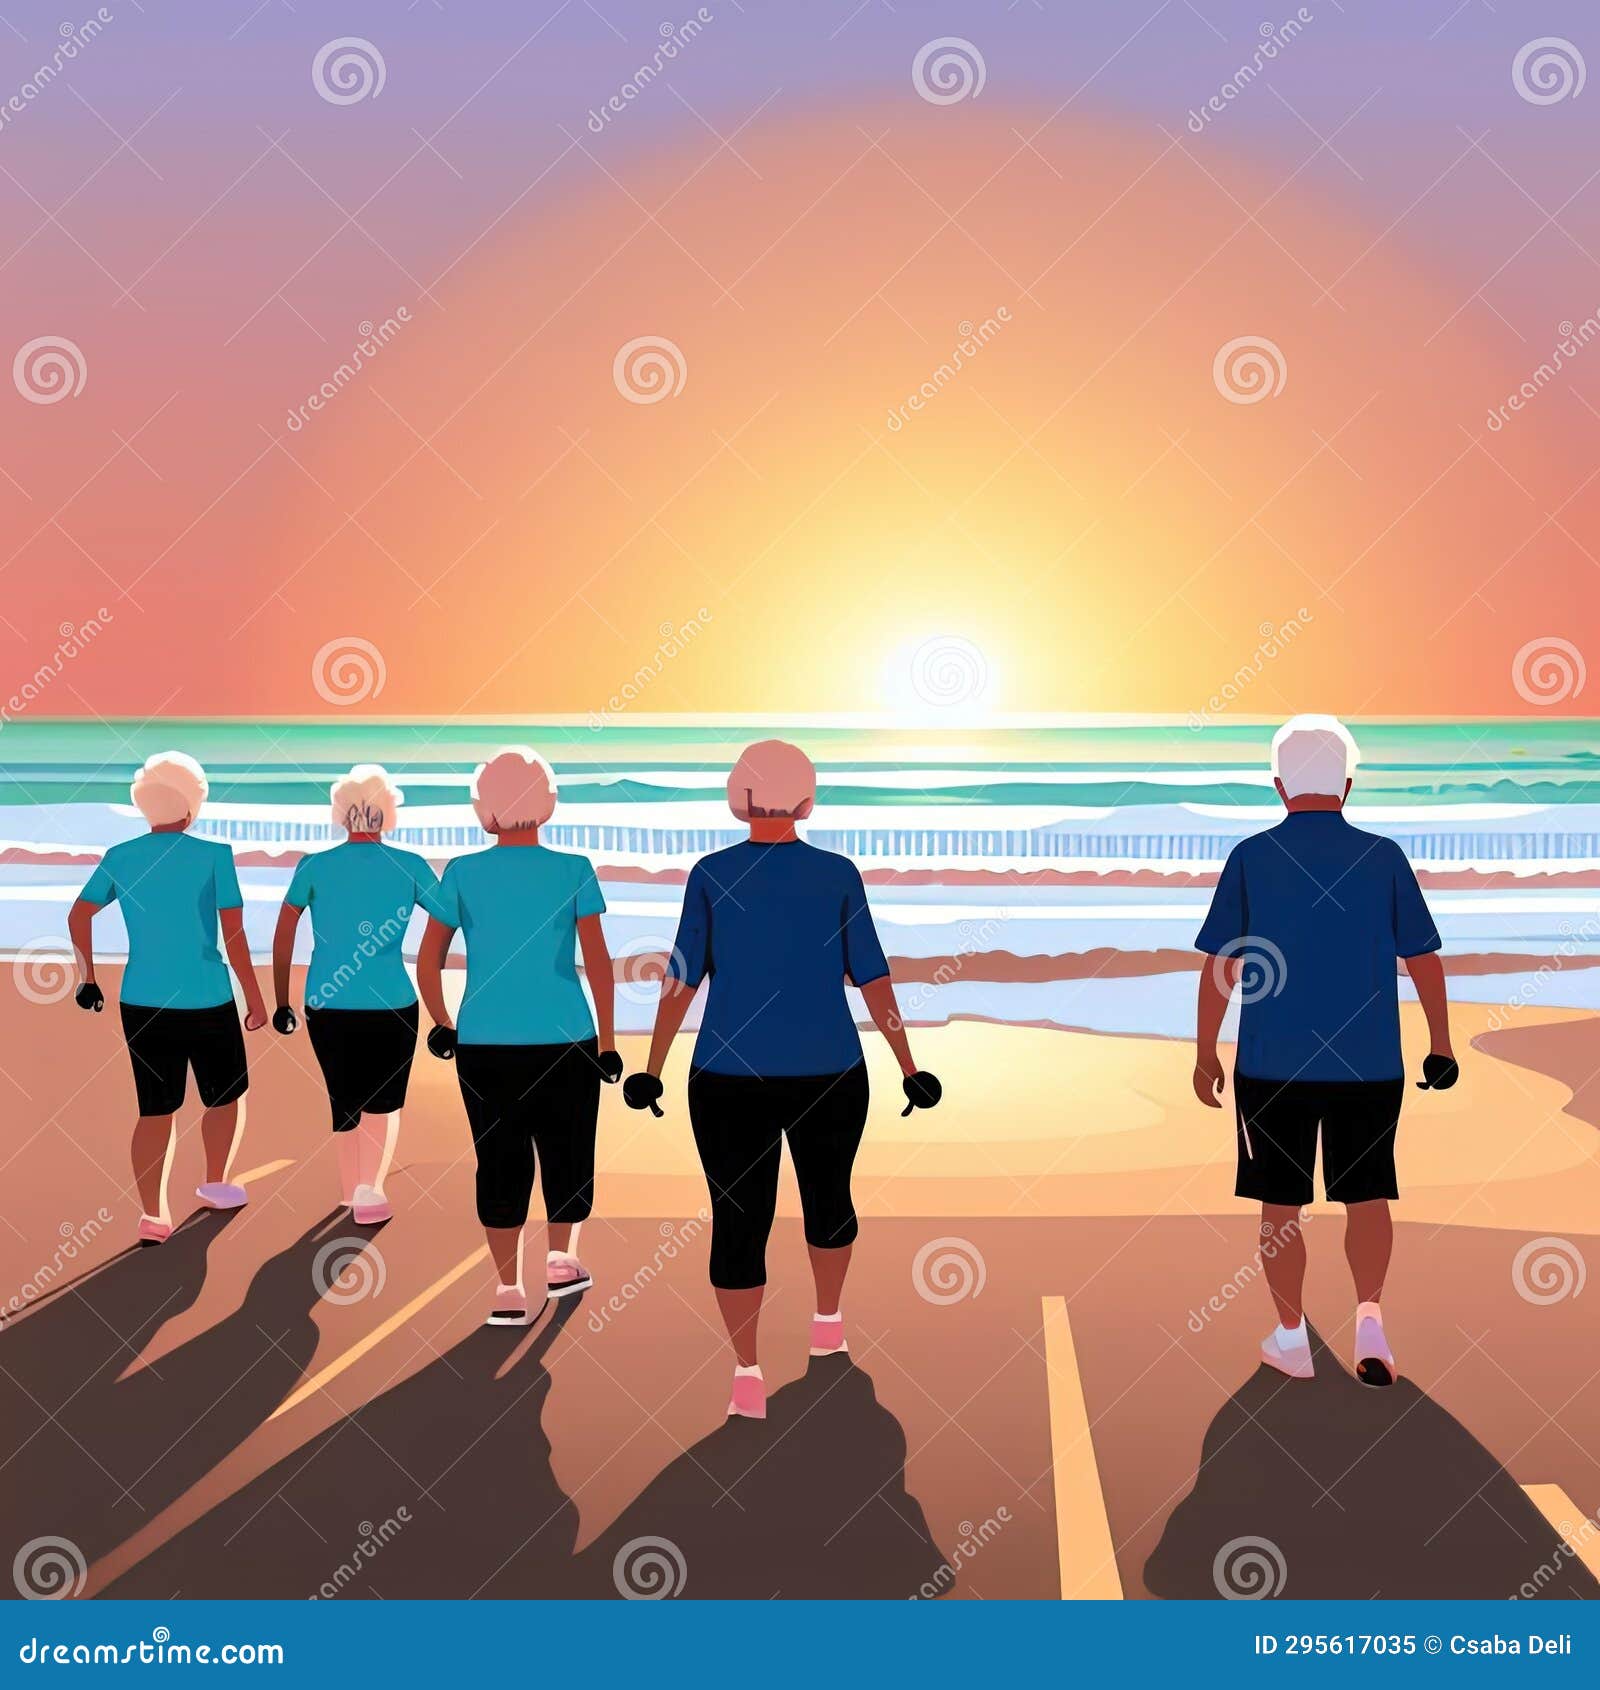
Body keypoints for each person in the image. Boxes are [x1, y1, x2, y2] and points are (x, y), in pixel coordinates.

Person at [623, 739, 942, 1422]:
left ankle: (747, 1370)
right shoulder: (837, 875)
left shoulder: (710, 874)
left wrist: (651, 1068)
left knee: (738, 1223)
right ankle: (827, 1322)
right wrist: (908, 1066)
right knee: (829, 1201)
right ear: (807, 799)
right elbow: (873, 976)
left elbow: (680, 980)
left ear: (738, 797)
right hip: (829, 1071)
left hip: (724, 1077)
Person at [1192, 714, 1458, 1388]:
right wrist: (1441, 1043)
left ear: (1280, 786)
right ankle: (1369, 1317)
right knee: (1368, 1197)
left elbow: (1221, 966)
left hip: (1272, 1065)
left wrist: (1204, 1052)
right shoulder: (1384, 856)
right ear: (1347, 784)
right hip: (1369, 1065)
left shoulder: (1251, 857)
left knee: (1280, 1206)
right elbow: (1422, 959)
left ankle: (1291, 1337)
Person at [415, 747, 623, 1325]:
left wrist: (442, 1022)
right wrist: (607, 1041)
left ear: (483, 809)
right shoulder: (574, 869)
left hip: (484, 1041)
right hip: (567, 1037)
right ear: (548, 805)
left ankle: (508, 1288)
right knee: (568, 1151)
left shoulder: (461, 872)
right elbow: (598, 963)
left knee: (498, 1159)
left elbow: (429, 958)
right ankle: (561, 1259)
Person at [67, 751, 268, 1244]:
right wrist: (255, 997)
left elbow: (78, 916)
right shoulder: (214, 855)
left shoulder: (121, 857)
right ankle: (216, 1183)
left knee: (156, 1108)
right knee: (223, 1097)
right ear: (192, 803)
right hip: (208, 998)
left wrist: (87, 976)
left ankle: (153, 1215)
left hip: (143, 999)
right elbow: (235, 936)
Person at [270, 765, 438, 1224]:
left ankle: (352, 1190)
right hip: (391, 1000)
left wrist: (281, 999)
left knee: (343, 1098)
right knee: (383, 1103)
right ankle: (370, 1189)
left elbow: (284, 933)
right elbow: (451, 919)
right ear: (389, 813)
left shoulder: (315, 865)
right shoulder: (411, 866)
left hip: (325, 1001)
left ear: (341, 814)